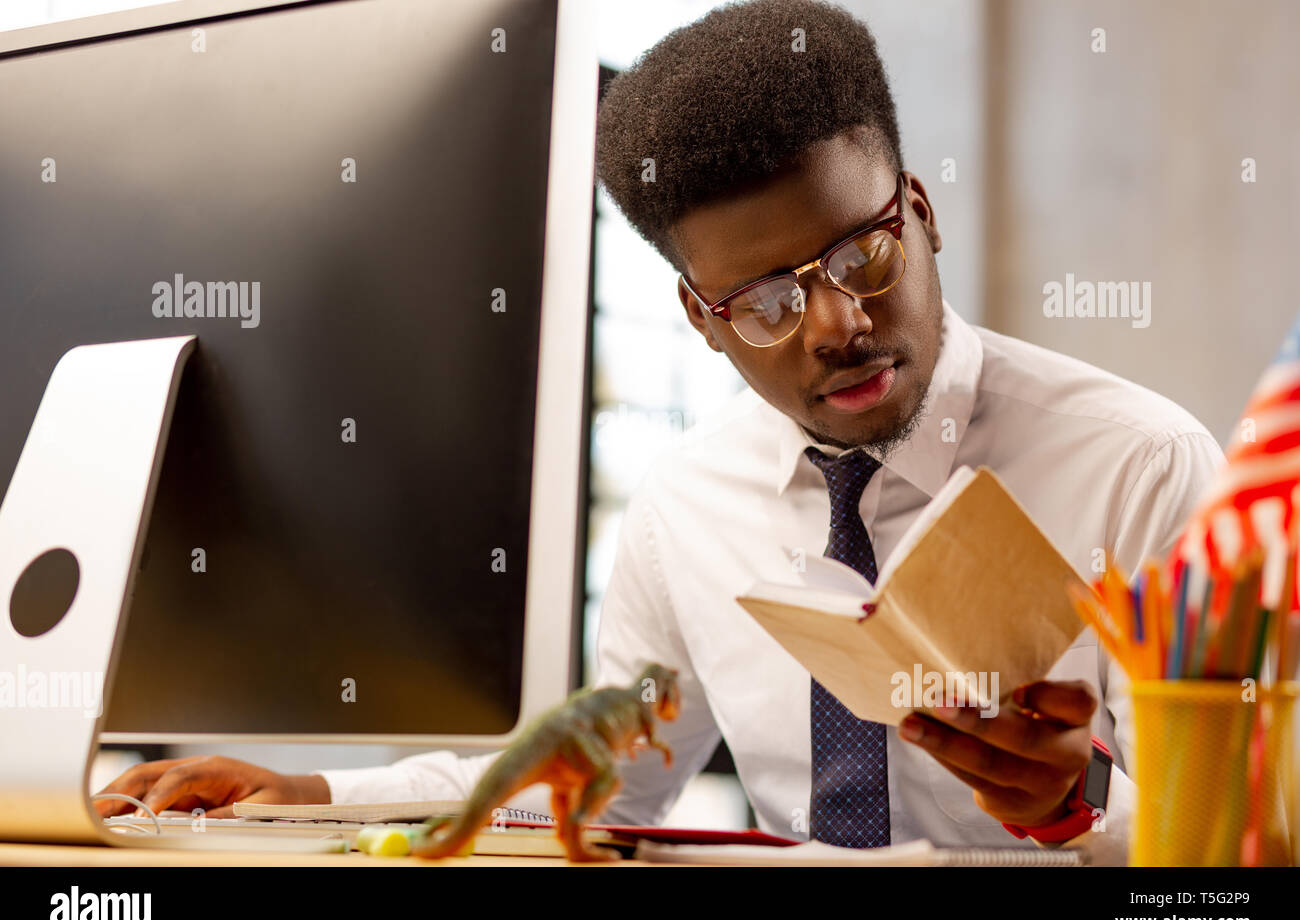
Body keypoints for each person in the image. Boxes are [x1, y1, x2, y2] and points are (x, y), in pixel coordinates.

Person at [95, 0, 1224, 864]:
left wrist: (1088, 805)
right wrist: (320, 794)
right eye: (767, 304)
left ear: (918, 212)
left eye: (863, 254)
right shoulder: (686, 502)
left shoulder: (1138, 465)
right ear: (701, 318)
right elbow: (600, 786)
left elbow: (1238, 856)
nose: (836, 322)